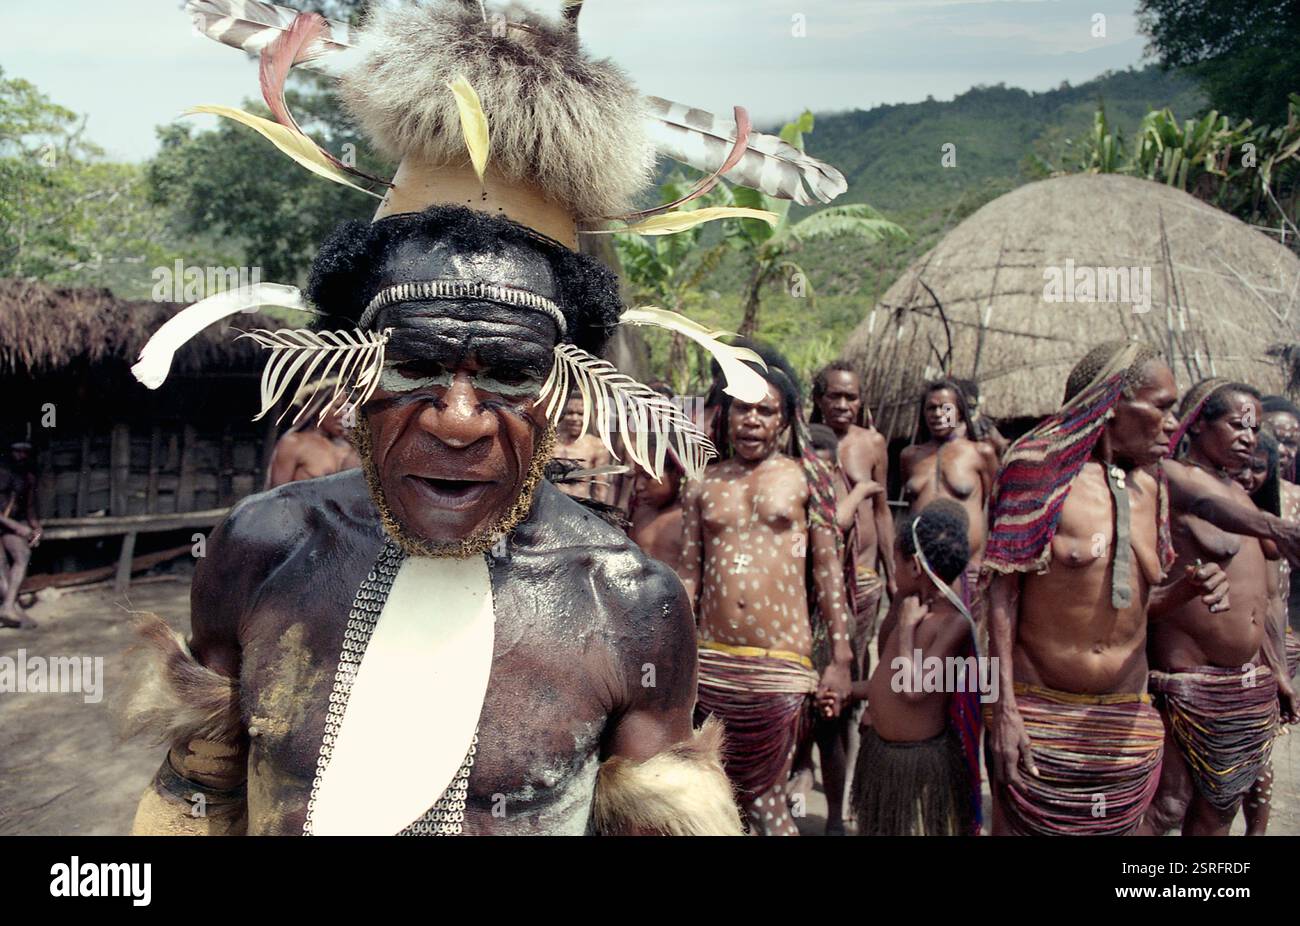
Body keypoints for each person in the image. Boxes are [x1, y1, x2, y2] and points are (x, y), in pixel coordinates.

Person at [117, 0, 860, 835]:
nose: (461, 419)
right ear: (351, 368)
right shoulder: (260, 550)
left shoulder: (630, 606)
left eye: (509, 374)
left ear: (562, 390)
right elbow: (198, 804)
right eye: (414, 363)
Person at [985, 341, 1229, 836]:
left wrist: (1187, 589)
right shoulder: (1038, 472)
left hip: (1124, 721)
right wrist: (1005, 712)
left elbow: (1139, 607)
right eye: (1162, 406)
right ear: (1112, 402)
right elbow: (1001, 594)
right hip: (1041, 713)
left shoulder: (1151, 487)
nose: (1172, 421)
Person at [681, 352, 854, 836]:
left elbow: (828, 573)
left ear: (785, 419)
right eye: (742, 408)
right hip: (712, 664)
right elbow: (689, 574)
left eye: (765, 411)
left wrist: (839, 660)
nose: (752, 420)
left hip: (780, 668)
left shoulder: (808, 478)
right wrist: (675, 651)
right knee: (712, 799)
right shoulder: (703, 483)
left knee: (767, 803)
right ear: (726, 414)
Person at [1145, 380, 1297, 836]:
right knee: (1167, 807)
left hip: (1243, 683)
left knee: (1218, 810)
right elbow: (1204, 504)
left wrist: (1278, 670)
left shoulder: (1242, 494)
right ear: (1198, 424)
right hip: (1187, 682)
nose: (1250, 436)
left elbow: (1267, 597)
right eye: (1237, 424)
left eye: (1255, 427)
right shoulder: (1169, 477)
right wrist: (1274, 525)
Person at [849, 498, 976, 835]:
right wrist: (849, 691)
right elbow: (886, 681)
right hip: (883, 756)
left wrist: (906, 629)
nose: (892, 569)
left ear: (916, 567)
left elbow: (914, 689)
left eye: (896, 562)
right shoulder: (909, 608)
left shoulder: (952, 623)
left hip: (919, 766)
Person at [811, 362, 896, 674]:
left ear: (861, 401)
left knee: (858, 653)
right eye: (834, 396)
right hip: (817, 572)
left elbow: (882, 511)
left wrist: (892, 575)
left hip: (863, 570)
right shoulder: (802, 443)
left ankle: (853, 717)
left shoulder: (873, 443)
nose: (843, 405)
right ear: (819, 400)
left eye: (851, 397)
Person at [900, 380, 999, 621]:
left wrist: (985, 562)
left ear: (960, 412)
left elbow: (994, 508)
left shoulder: (980, 454)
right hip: (918, 569)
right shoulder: (910, 456)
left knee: (962, 646)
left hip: (967, 568)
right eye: (930, 408)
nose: (937, 414)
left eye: (945, 408)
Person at [266, 385, 362, 488]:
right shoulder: (294, 443)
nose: (345, 416)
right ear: (318, 409)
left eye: (349, 409)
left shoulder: (350, 449)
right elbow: (277, 495)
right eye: (338, 407)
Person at [0, 442, 41, 628]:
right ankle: (14, 608)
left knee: (23, 554)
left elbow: (30, 509)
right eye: (18, 451)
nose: (22, 455)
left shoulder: (28, 478)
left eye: (26, 452)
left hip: (6, 526)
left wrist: (36, 527)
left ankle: (8, 606)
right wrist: (17, 527)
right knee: (1, 564)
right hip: (7, 524)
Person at [552, 392, 613, 503]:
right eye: (570, 413)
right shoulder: (549, 443)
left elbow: (601, 488)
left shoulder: (596, 446)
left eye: (580, 414)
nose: (575, 418)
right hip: (549, 505)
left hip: (580, 508)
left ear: (588, 416)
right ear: (562, 414)